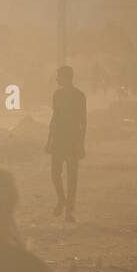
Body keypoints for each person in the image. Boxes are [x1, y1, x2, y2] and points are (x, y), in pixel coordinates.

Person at [45, 65, 86, 222]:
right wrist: (49, 139)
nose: (57, 79)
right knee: (55, 174)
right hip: (59, 139)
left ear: (67, 77)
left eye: (59, 76)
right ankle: (62, 200)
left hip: (73, 140)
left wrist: (81, 144)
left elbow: (84, 122)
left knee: (71, 176)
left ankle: (69, 210)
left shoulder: (79, 96)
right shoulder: (57, 95)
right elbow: (54, 118)